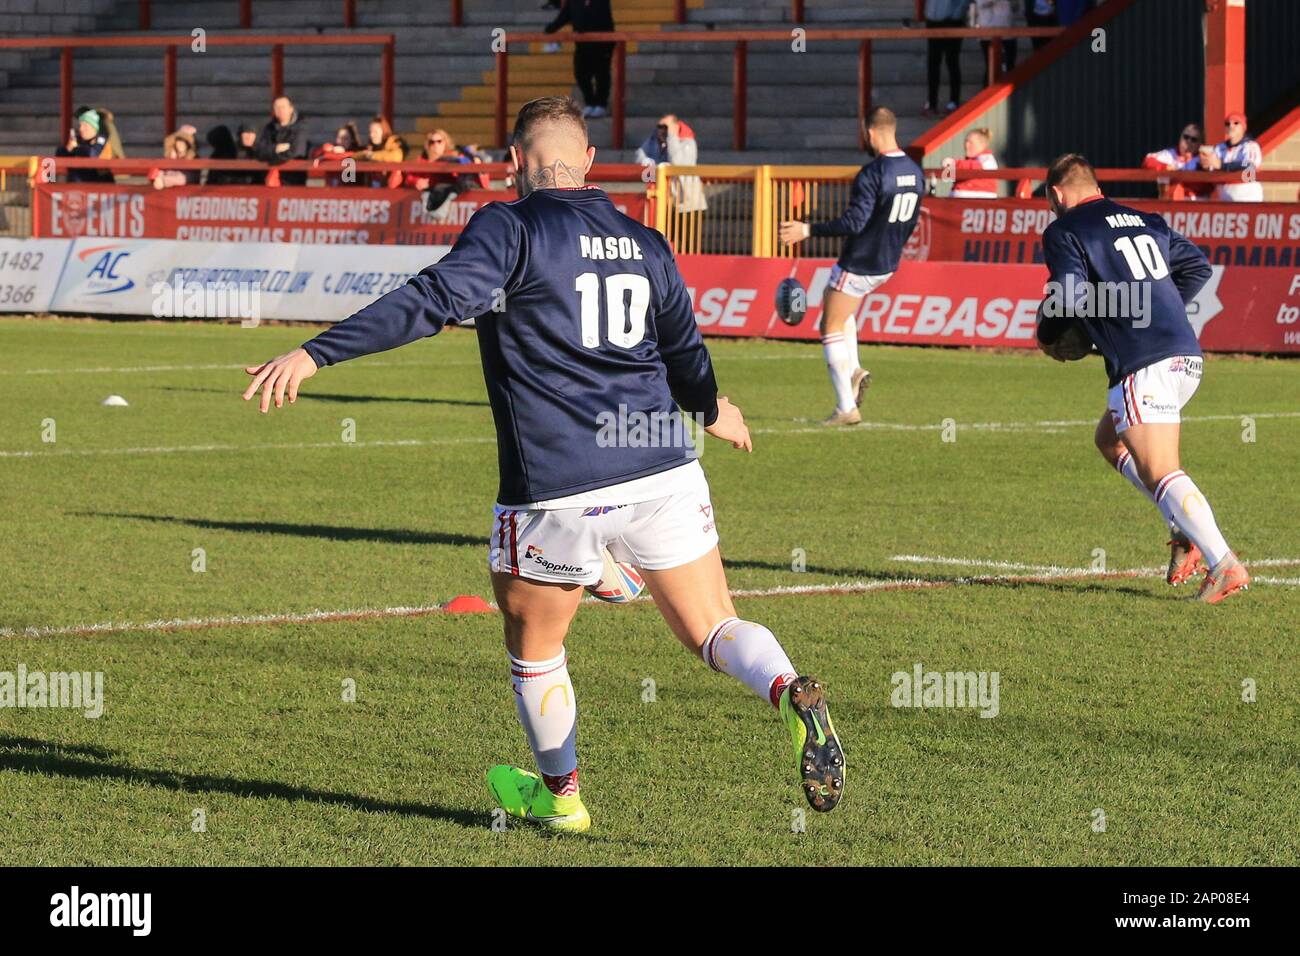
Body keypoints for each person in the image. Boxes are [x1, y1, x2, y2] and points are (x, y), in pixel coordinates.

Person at [240, 96, 845, 831]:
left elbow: (434, 299)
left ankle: (563, 800)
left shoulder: (510, 224)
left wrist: (315, 350)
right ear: (589, 162)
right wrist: (715, 411)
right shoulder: (645, 239)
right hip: (660, 464)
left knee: (536, 649)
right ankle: (787, 690)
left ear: (515, 163)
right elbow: (685, 352)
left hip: (557, 484)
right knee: (713, 627)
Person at [1037, 153, 1248, 604]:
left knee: (1162, 469)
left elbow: (1070, 295)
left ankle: (1223, 563)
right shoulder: (1144, 219)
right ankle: (1182, 528)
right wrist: (1151, 306)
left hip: (1143, 362)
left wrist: (1049, 334)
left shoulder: (1064, 229)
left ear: (1057, 194)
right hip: (1185, 356)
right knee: (1110, 441)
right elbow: (1196, 268)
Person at [778, 107, 924, 426]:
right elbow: (913, 220)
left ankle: (846, 407)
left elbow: (854, 222)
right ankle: (855, 369)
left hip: (860, 261)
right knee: (844, 315)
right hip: (888, 262)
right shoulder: (915, 171)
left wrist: (807, 230)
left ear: (870, 132)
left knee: (828, 326)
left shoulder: (872, 173)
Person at [544, 0, 616, 118]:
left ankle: (601, 104)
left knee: (601, 73)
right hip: (582, 43)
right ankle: (590, 102)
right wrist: (550, 29)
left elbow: (599, 16)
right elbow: (565, 15)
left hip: (602, 41)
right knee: (580, 73)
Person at [634, 114, 707, 213]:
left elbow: (677, 163)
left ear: (676, 127)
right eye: (659, 127)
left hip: (689, 204)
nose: (661, 130)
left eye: (665, 127)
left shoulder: (688, 141)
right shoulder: (654, 140)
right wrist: (649, 163)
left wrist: (672, 136)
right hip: (667, 202)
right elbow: (639, 156)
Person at [1201, 112, 1264, 203]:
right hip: (1226, 200)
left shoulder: (1250, 146)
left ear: (1243, 127)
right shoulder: (1219, 148)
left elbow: (1248, 164)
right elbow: (1211, 168)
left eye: (1236, 123)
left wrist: (1221, 165)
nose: (1231, 126)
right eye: (1227, 124)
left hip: (1249, 199)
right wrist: (1205, 163)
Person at [1141, 123, 1212, 201]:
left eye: (1193, 139)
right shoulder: (1170, 154)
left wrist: (1178, 176)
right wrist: (1165, 167)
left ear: (1199, 144)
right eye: (1186, 137)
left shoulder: (1203, 158)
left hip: (1197, 206)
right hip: (1171, 207)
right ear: (1180, 138)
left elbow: (1206, 186)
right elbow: (1148, 161)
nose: (1188, 141)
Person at [923, 0, 971, 115]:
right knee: (933, 62)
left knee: (952, 61)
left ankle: (954, 101)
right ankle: (932, 102)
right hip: (932, 22)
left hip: (953, 22)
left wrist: (954, 16)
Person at [254, 96, 309, 186]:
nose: (280, 110)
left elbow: (296, 152)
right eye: (276, 107)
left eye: (283, 107)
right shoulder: (269, 128)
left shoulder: (300, 128)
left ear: (291, 109)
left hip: (293, 181)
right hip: (269, 180)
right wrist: (275, 148)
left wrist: (270, 159)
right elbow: (259, 151)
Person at [55, 109, 114, 183]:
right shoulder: (78, 139)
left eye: (85, 126)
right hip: (78, 186)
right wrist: (67, 149)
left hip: (99, 184)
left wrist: (75, 148)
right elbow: (59, 157)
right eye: (80, 125)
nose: (81, 129)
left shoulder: (101, 139)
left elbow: (93, 154)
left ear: (94, 128)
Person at [972, 0, 1018, 79]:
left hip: (1008, 31)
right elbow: (981, 4)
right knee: (990, 67)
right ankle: (989, 90)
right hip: (987, 33)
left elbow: (1016, 7)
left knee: (1010, 66)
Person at [950, 127, 1000, 198]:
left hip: (976, 204)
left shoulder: (987, 160)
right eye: (966, 141)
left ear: (982, 145)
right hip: (960, 203)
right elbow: (948, 177)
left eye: (970, 142)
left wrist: (954, 163)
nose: (966, 145)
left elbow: (975, 167)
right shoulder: (972, 160)